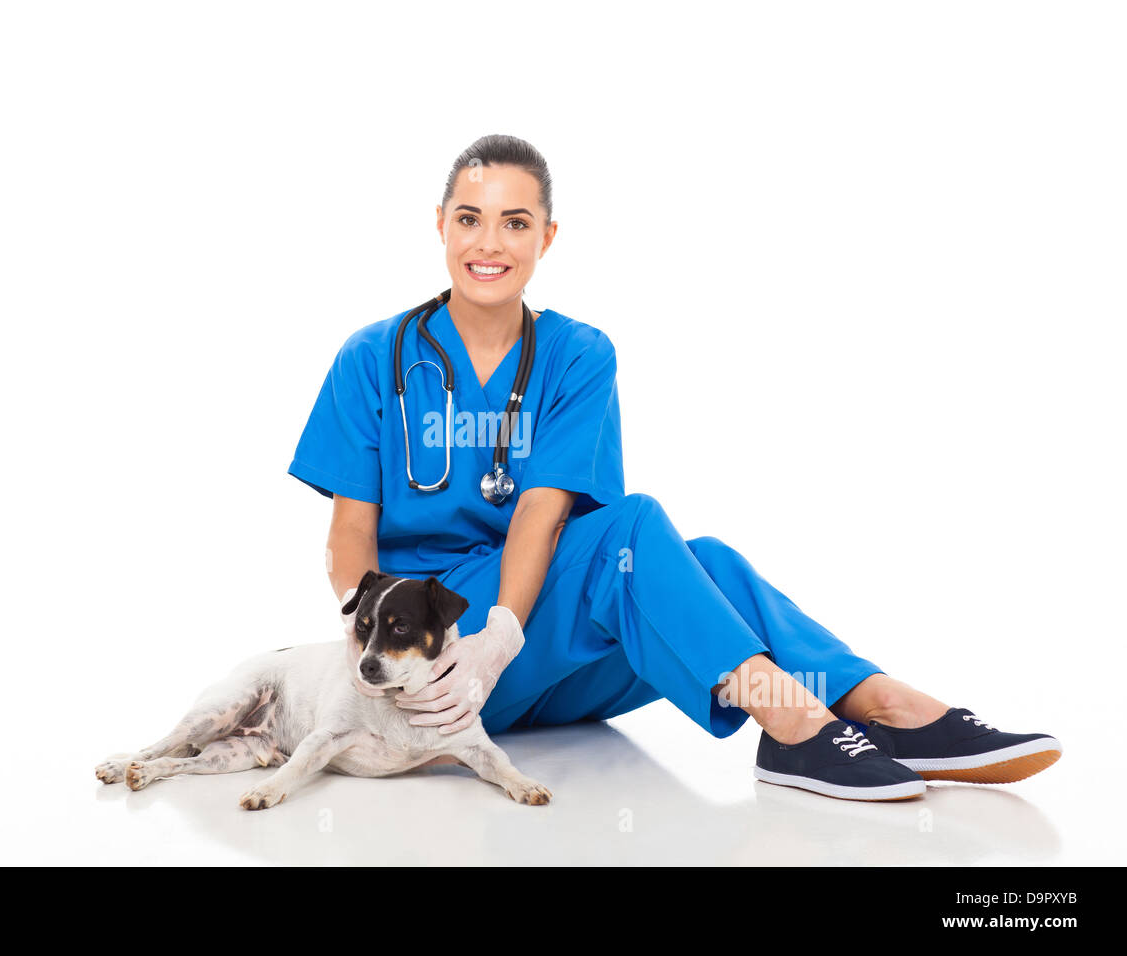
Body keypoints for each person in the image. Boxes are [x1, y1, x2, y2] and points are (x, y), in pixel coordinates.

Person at [287, 134, 1061, 802]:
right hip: (433, 663)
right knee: (632, 533)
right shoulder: (371, 358)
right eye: (470, 219)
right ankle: (796, 722)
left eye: (514, 222)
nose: (489, 244)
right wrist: (373, 650)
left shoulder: (578, 354)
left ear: (547, 237)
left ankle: (875, 702)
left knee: (707, 566)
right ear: (440, 226)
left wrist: (503, 638)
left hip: (521, 653)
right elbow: (349, 532)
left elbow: (541, 512)